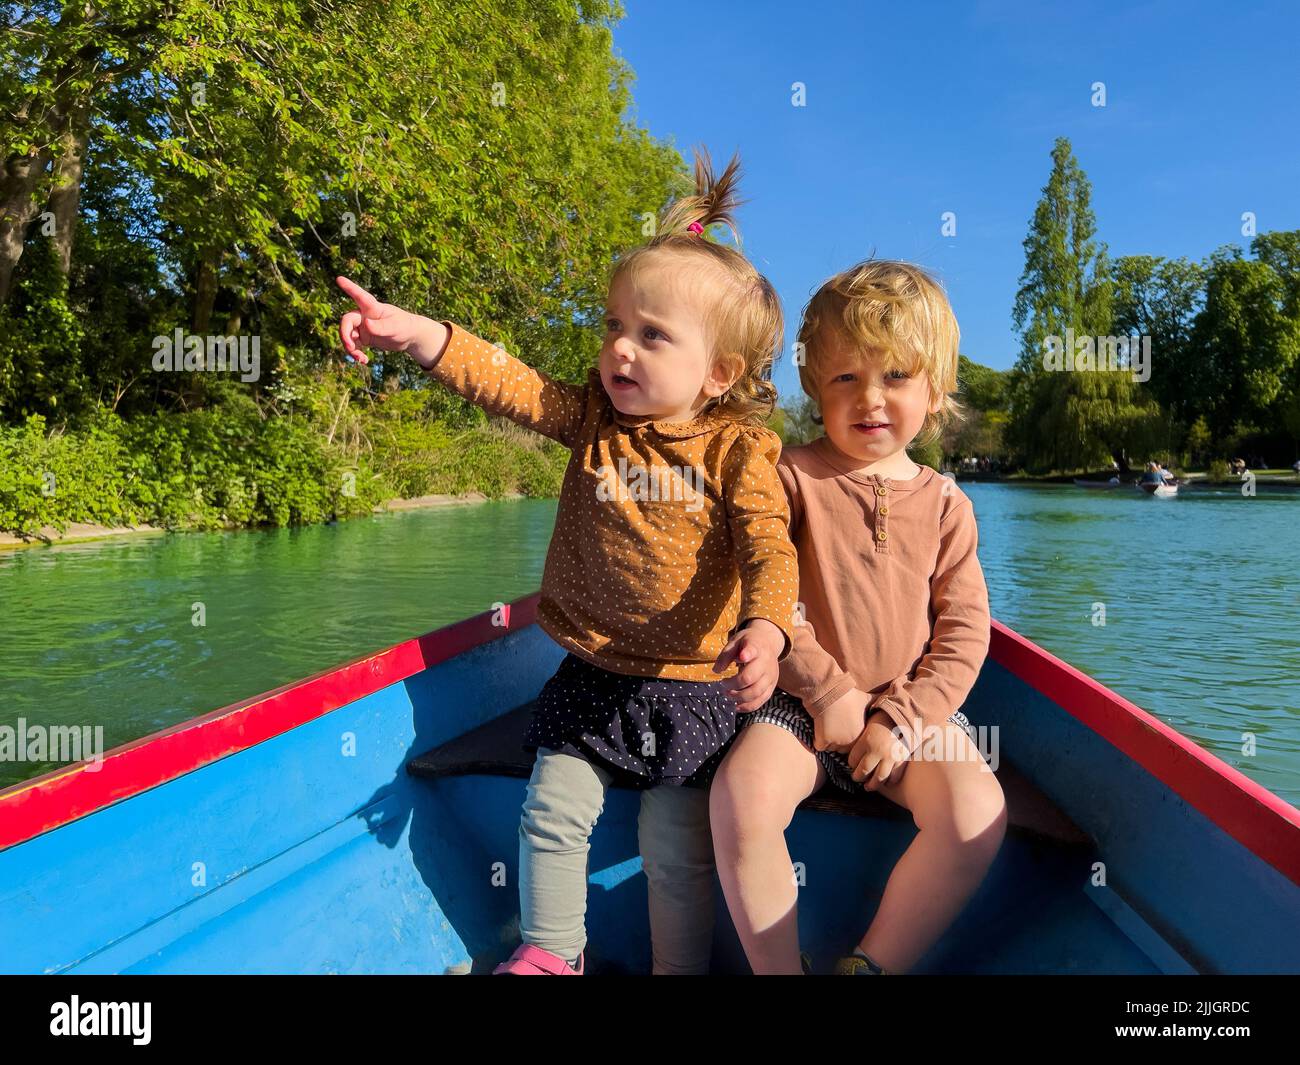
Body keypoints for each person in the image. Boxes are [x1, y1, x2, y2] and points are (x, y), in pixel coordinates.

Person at [335, 149, 799, 975]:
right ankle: (554, 952)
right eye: (615, 326)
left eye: (652, 335)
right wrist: (415, 334)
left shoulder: (737, 451)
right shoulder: (587, 417)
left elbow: (769, 542)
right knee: (552, 809)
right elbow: (503, 380)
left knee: (674, 849)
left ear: (718, 372)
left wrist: (766, 626)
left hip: (693, 686)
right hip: (589, 674)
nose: (620, 349)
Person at [710, 259, 1005, 975]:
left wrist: (904, 718)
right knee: (740, 800)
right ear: (815, 384)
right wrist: (827, 691)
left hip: (910, 715)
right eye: (846, 377)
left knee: (976, 814)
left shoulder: (945, 504)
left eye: (896, 376)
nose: (870, 399)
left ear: (935, 389)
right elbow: (764, 592)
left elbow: (965, 631)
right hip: (797, 710)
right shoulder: (787, 477)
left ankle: (870, 963)